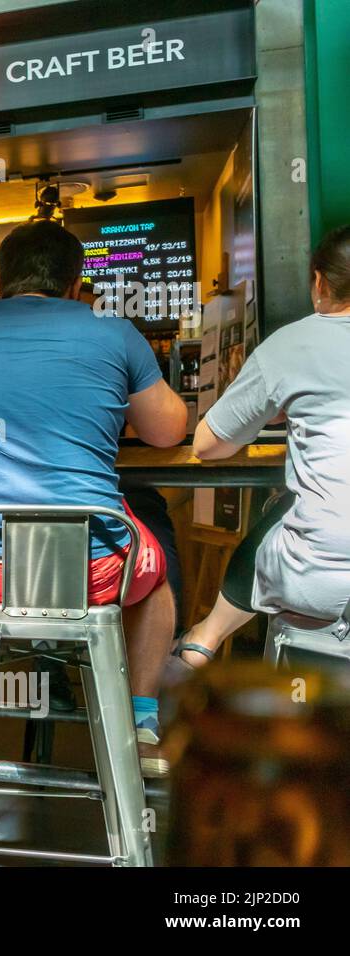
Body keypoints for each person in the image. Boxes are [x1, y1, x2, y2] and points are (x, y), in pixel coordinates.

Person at [0, 220, 187, 777]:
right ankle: (137, 718)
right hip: (91, 573)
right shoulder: (114, 330)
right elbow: (168, 431)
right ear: (77, 284)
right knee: (154, 577)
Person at [169, 225, 350, 674]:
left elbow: (208, 445)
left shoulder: (292, 345)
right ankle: (204, 641)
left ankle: (201, 641)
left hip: (321, 583)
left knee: (284, 509)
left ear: (319, 282)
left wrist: (279, 406)